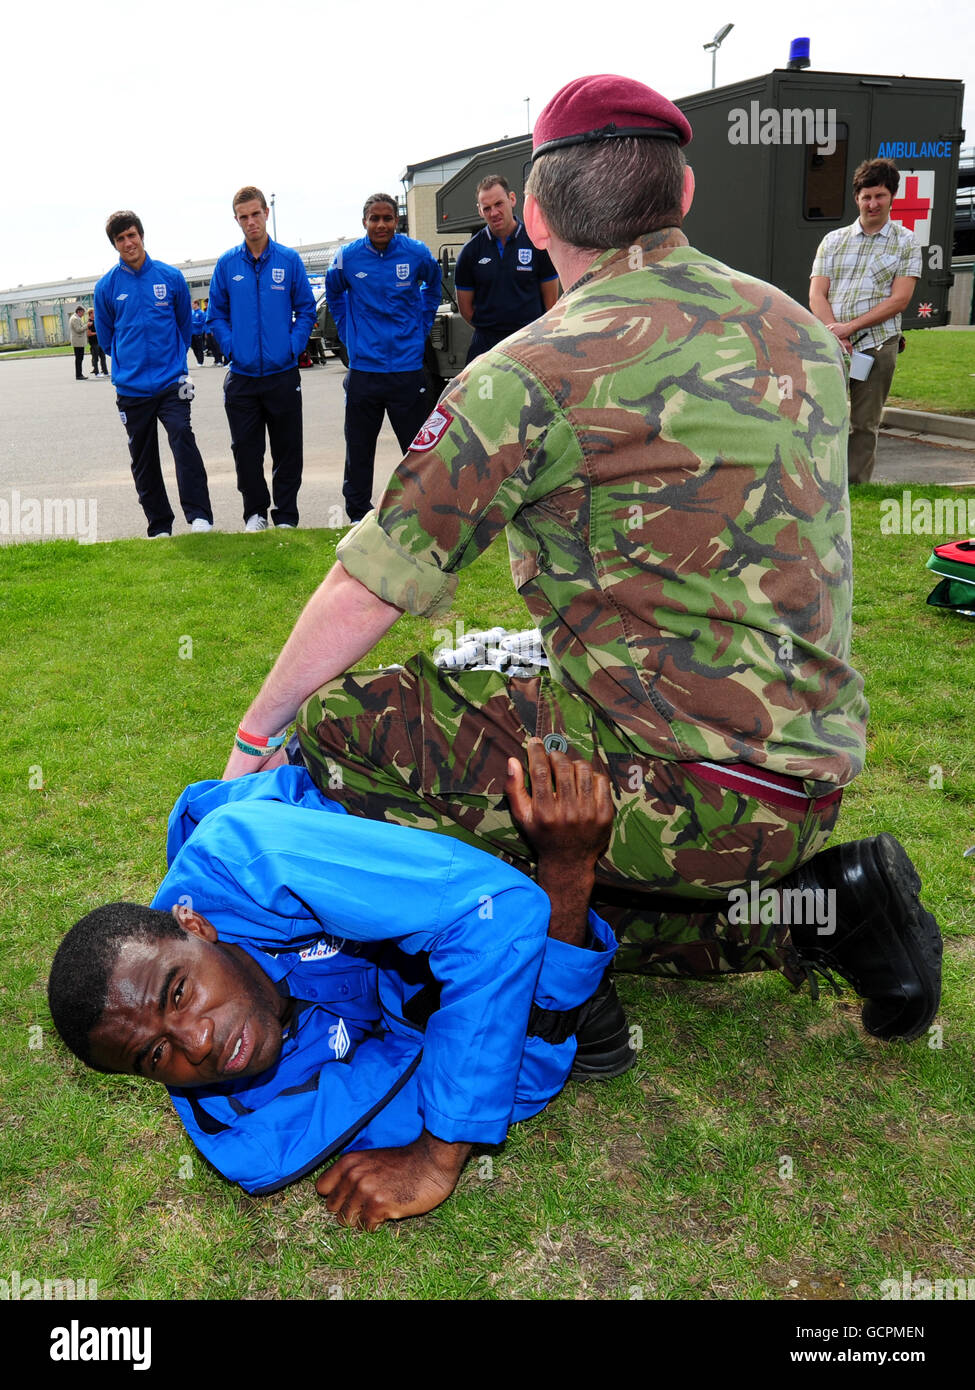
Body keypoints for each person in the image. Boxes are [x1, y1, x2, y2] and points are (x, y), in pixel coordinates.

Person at [221, 76, 942, 1044]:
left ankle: (556, 985)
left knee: (345, 725)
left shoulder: (528, 371)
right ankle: (828, 906)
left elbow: (371, 584)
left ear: (535, 214)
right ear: (684, 198)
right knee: (562, 781)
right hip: (803, 782)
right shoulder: (799, 333)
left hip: (673, 791)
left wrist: (257, 733)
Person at [48, 747, 624, 1230]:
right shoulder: (251, 1132)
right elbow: (520, 1079)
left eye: (177, 994)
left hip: (394, 779)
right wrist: (569, 874)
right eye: (154, 1055)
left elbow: (495, 910)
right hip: (503, 878)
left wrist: (437, 1157)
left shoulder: (254, 859)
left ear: (195, 926)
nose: (196, 1042)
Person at [94, 211, 214, 538]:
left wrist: (174, 361)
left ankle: (200, 516)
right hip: (131, 389)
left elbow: (184, 327)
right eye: (120, 239)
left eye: (132, 235)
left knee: (182, 439)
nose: (128, 243)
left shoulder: (170, 277)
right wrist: (128, 362)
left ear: (142, 235)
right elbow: (106, 339)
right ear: (115, 244)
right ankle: (159, 525)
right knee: (143, 458)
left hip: (171, 382)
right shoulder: (106, 287)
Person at [325, 193, 441, 521]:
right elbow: (333, 292)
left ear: (396, 221)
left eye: (387, 218)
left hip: (407, 370)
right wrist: (349, 332)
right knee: (359, 449)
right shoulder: (347, 258)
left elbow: (433, 287)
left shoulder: (416, 253)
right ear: (364, 222)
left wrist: (421, 327)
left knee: (418, 450)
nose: (380, 224)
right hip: (365, 372)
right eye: (374, 218)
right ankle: (358, 514)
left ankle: (422, 511)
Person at [207, 187, 317, 531]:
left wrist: (292, 346)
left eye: (256, 214)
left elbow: (306, 309)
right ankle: (255, 514)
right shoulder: (227, 264)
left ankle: (286, 516)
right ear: (236, 219)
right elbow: (216, 315)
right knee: (246, 452)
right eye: (244, 216)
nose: (251, 221)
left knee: (287, 450)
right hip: (242, 377)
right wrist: (232, 348)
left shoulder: (289, 260)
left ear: (266, 213)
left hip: (282, 373)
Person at [810, 158, 921, 484]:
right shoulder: (833, 240)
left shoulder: (905, 242)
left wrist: (851, 329)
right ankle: (818, 483)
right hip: (834, 346)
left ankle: (854, 487)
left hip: (875, 346)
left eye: (880, 196)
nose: (872, 203)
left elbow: (900, 300)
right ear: (856, 198)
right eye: (866, 196)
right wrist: (837, 333)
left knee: (864, 422)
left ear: (892, 197)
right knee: (822, 416)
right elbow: (817, 294)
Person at [455, 174, 559, 362]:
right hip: (486, 346)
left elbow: (551, 302)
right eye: (487, 208)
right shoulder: (470, 252)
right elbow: (466, 310)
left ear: (512, 199)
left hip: (529, 342)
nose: (494, 212)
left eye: (499, 204)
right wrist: (491, 328)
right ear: (479, 211)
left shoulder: (537, 243)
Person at [86, 308, 108, 378]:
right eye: (93, 313)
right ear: (90, 314)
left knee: (103, 357)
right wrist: (97, 333)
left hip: (100, 341)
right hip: (93, 342)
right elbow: (89, 334)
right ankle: (96, 372)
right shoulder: (89, 323)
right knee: (95, 358)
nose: (95, 314)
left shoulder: (96, 321)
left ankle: (105, 372)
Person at [68, 305, 88, 380]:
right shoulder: (75, 319)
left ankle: (79, 374)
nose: (83, 314)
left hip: (78, 341)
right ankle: (78, 375)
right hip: (78, 341)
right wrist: (87, 326)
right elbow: (78, 330)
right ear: (79, 311)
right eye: (83, 312)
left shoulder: (76, 318)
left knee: (80, 358)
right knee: (79, 358)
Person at [190, 300, 207, 367]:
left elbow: (202, 322)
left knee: (199, 348)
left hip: (198, 333)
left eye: (193, 304)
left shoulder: (200, 313)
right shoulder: (192, 312)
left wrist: (193, 323)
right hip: (192, 333)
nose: (192, 305)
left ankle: (200, 361)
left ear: (196, 304)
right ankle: (198, 360)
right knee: (194, 347)